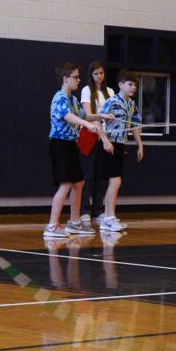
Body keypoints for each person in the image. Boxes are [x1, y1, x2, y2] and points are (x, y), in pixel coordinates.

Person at [46, 63, 106, 240]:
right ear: (66, 79)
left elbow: (83, 115)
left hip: (72, 144)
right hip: (59, 144)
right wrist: (87, 125)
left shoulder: (72, 99)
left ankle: (74, 222)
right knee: (65, 184)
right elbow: (68, 116)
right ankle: (52, 225)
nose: (79, 80)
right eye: (76, 77)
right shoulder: (60, 98)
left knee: (79, 182)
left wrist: (100, 116)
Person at [98, 70, 145, 232]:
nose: (133, 87)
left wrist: (140, 144)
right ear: (120, 85)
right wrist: (105, 141)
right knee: (115, 181)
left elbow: (135, 125)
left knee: (116, 181)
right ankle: (108, 218)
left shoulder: (131, 104)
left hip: (121, 145)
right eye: (130, 84)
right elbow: (97, 121)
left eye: (135, 85)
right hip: (110, 144)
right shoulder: (112, 101)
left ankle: (108, 216)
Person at [80, 61, 124, 230]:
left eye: (102, 73)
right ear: (91, 75)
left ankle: (98, 211)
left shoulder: (110, 91)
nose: (100, 76)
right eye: (96, 73)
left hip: (107, 136)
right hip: (91, 135)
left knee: (101, 175)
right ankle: (84, 210)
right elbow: (88, 115)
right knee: (88, 174)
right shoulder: (86, 90)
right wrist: (102, 118)